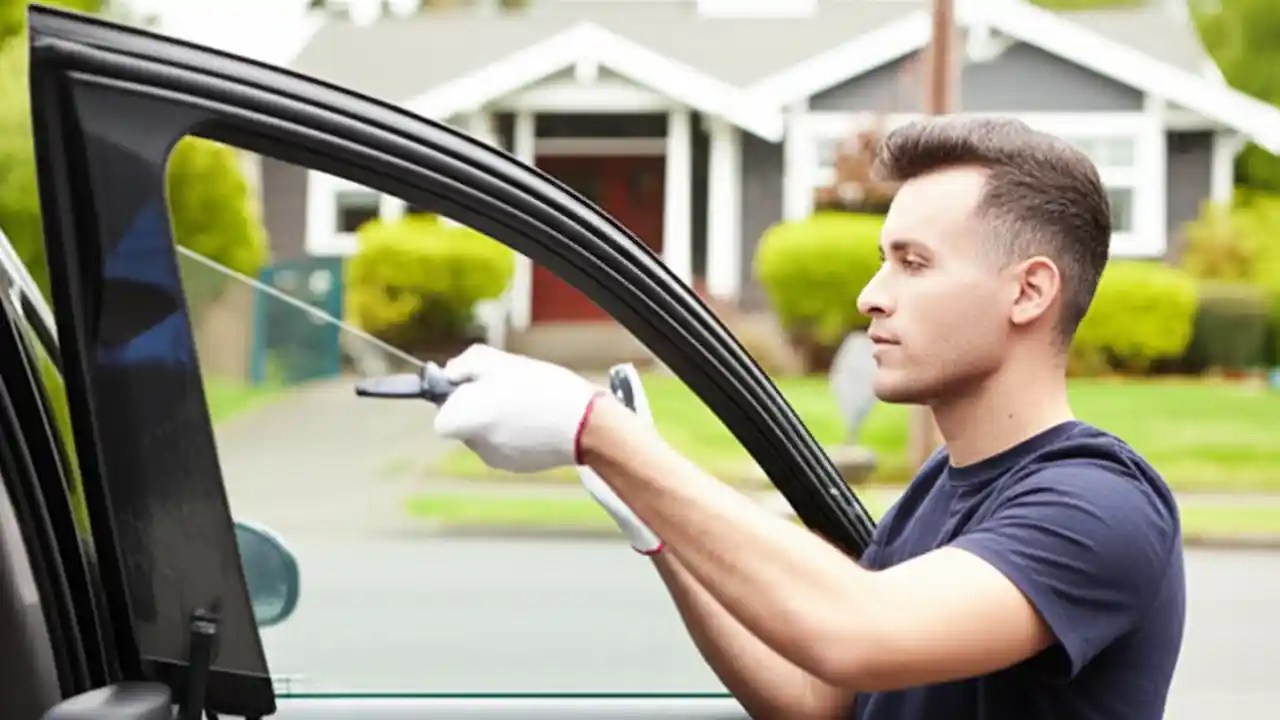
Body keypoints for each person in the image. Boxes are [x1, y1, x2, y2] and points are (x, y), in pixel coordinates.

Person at [431, 116, 1186, 720]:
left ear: (1028, 293)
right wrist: (656, 529)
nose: (872, 295)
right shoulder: (938, 491)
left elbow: (856, 631)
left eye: (913, 263)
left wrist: (597, 429)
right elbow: (820, 699)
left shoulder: (1101, 506)